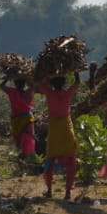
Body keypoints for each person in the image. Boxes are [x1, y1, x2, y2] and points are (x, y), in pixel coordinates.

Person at [35, 72, 81, 200]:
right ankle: (68, 192)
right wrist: (75, 71)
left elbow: (37, 81)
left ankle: (49, 190)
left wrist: (46, 73)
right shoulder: (67, 93)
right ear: (64, 83)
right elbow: (77, 83)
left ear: (52, 84)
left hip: (54, 129)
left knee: (50, 159)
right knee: (71, 160)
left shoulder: (49, 93)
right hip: (66, 128)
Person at [0, 76, 37, 161]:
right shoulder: (28, 91)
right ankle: (23, 160)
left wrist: (7, 78)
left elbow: (1, 86)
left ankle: (23, 160)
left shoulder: (12, 91)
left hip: (17, 120)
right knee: (25, 139)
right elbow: (33, 85)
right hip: (25, 119)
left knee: (22, 140)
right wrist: (27, 77)